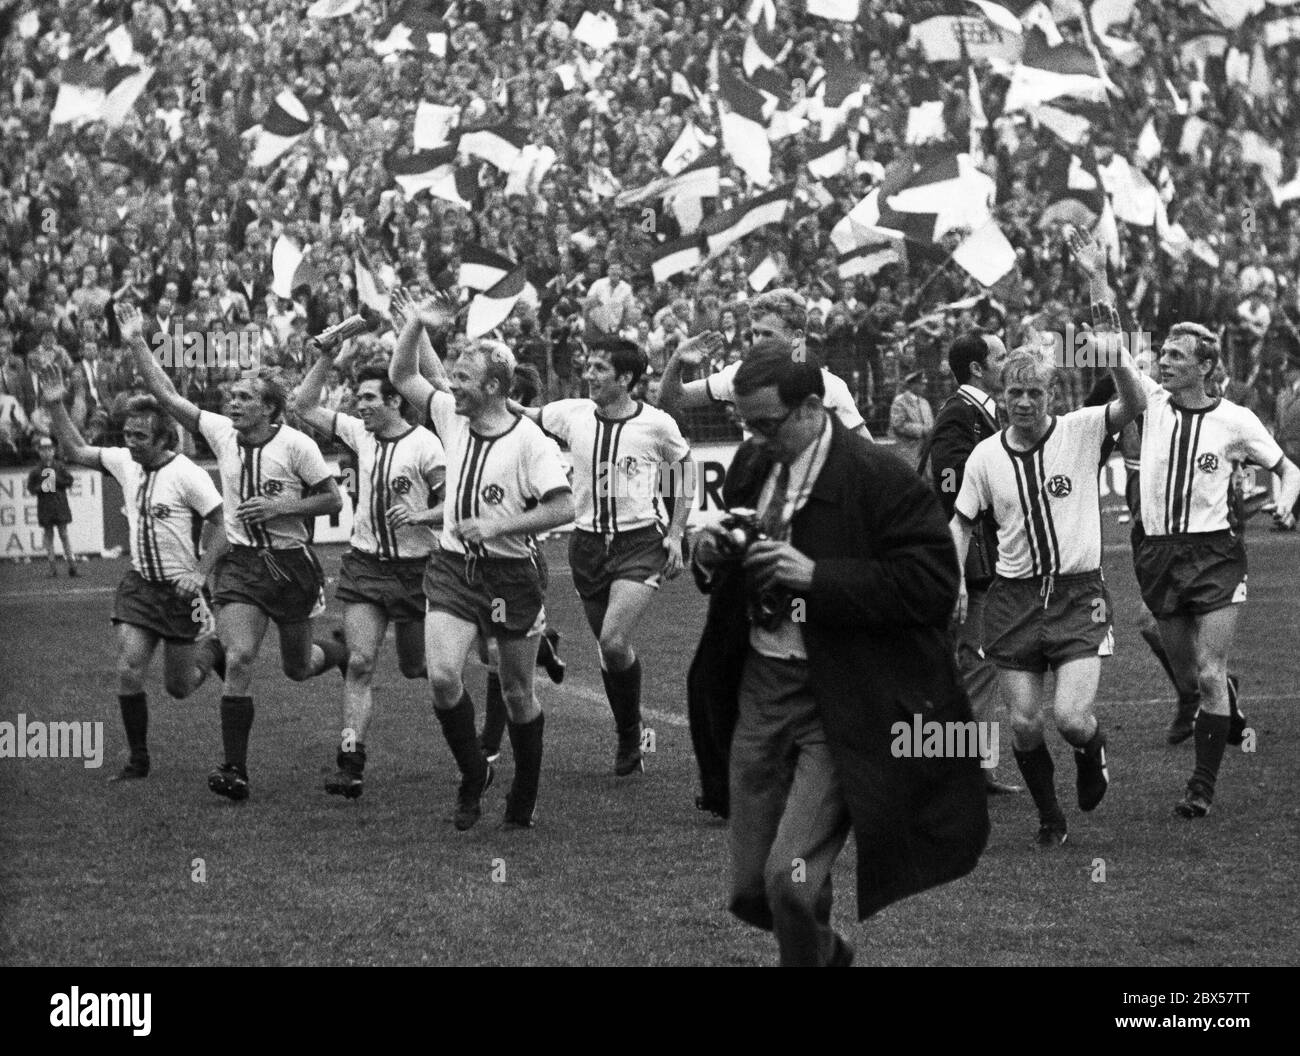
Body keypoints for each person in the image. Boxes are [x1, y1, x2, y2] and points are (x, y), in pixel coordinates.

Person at [691, 342, 988, 966]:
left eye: (766, 425)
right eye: (745, 425)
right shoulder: (755, 460)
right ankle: (828, 957)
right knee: (751, 893)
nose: (754, 438)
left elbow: (932, 587)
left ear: (810, 407)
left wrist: (817, 578)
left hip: (842, 697)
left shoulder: (878, 477)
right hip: (759, 687)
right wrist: (714, 551)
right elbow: (741, 545)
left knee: (789, 883)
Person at [116, 302, 347, 802]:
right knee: (240, 656)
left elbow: (333, 499)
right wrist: (138, 342)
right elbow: (168, 395)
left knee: (297, 667)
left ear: (268, 407)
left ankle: (341, 651)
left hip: (290, 565)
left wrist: (287, 505)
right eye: (232, 395)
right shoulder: (221, 431)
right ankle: (234, 769)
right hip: (241, 563)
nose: (233, 402)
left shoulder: (297, 446)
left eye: (244, 397)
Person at [950, 259, 1147, 845]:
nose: (1025, 403)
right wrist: (956, 580)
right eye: (1015, 392)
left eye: (1036, 392)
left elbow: (1133, 402)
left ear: (1050, 394)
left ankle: (1092, 750)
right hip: (1012, 599)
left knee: (1070, 719)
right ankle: (1050, 817)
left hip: (1078, 593)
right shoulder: (984, 456)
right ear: (1002, 395)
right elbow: (960, 522)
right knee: (1026, 725)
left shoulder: (1084, 429)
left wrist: (1106, 325)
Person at [388, 296, 574, 831]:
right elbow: (403, 373)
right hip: (452, 568)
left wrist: (497, 526)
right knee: (444, 677)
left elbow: (563, 506)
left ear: (494, 387)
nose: (453, 385)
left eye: (464, 376)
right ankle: (473, 774)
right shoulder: (450, 413)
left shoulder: (529, 442)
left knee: (517, 691)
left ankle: (526, 792)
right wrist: (415, 323)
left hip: (509, 576)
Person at [1127, 318, 1300, 817]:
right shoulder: (1150, 402)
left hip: (1215, 554)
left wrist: (1286, 504)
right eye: (1163, 354)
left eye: (1177, 356)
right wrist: (1097, 279)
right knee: (1188, 673)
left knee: (1208, 673)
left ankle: (1200, 787)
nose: (1164, 362)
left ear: (1205, 367)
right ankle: (1223, 698)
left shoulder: (1237, 420)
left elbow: (1289, 470)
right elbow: (1111, 348)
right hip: (1159, 554)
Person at [513, 337, 694, 775]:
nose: (588, 374)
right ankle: (629, 730)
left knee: (613, 639)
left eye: (598, 367)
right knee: (610, 650)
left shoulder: (656, 424)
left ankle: (630, 738)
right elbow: (528, 416)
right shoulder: (571, 413)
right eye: (589, 366)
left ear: (626, 378)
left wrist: (674, 533)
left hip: (639, 543)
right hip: (588, 545)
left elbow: (684, 470)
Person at [38, 367, 227, 781]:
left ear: (164, 439)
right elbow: (75, 449)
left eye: (140, 436)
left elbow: (223, 523)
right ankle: (138, 760)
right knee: (128, 668)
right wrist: (54, 404)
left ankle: (212, 651)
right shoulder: (124, 462)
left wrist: (199, 572)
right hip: (141, 586)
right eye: (127, 434)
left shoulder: (188, 474)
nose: (131, 442)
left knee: (178, 688)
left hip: (183, 593)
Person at [292, 342, 446, 800]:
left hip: (417, 569)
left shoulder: (426, 445)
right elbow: (302, 405)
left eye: (369, 399)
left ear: (396, 400)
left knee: (418, 667)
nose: (360, 407)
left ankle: (495, 638)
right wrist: (326, 355)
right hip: (364, 565)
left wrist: (421, 517)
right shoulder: (359, 434)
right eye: (358, 399)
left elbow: (452, 505)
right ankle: (351, 762)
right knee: (360, 664)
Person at [918, 333, 1021, 796]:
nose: (1008, 361)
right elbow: (949, 487)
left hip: (974, 557)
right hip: (967, 559)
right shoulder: (960, 414)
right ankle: (965, 771)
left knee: (970, 660)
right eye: (1000, 356)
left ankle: (968, 768)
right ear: (978, 368)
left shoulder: (978, 412)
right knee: (974, 660)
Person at [658, 288, 872, 438]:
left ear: (797, 337)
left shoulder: (830, 387)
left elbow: (868, 457)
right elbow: (673, 397)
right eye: (755, 333)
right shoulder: (738, 375)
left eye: (767, 334)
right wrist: (677, 360)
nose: (758, 342)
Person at [26, 435, 79, 576]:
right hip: (45, 507)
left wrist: (56, 481)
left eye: (49, 449)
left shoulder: (60, 467)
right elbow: (31, 489)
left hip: (59, 505)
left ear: (53, 451)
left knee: (64, 535)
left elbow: (69, 481)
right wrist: (42, 487)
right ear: (39, 452)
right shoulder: (36, 471)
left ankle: (72, 566)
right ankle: (52, 568)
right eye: (43, 449)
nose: (46, 452)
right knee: (49, 536)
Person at [888, 371, 934, 468]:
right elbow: (898, 425)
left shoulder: (924, 402)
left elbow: (930, 424)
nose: (924, 387)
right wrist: (922, 430)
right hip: (908, 451)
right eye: (921, 384)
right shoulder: (900, 401)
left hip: (926, 452)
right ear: (912, 385)